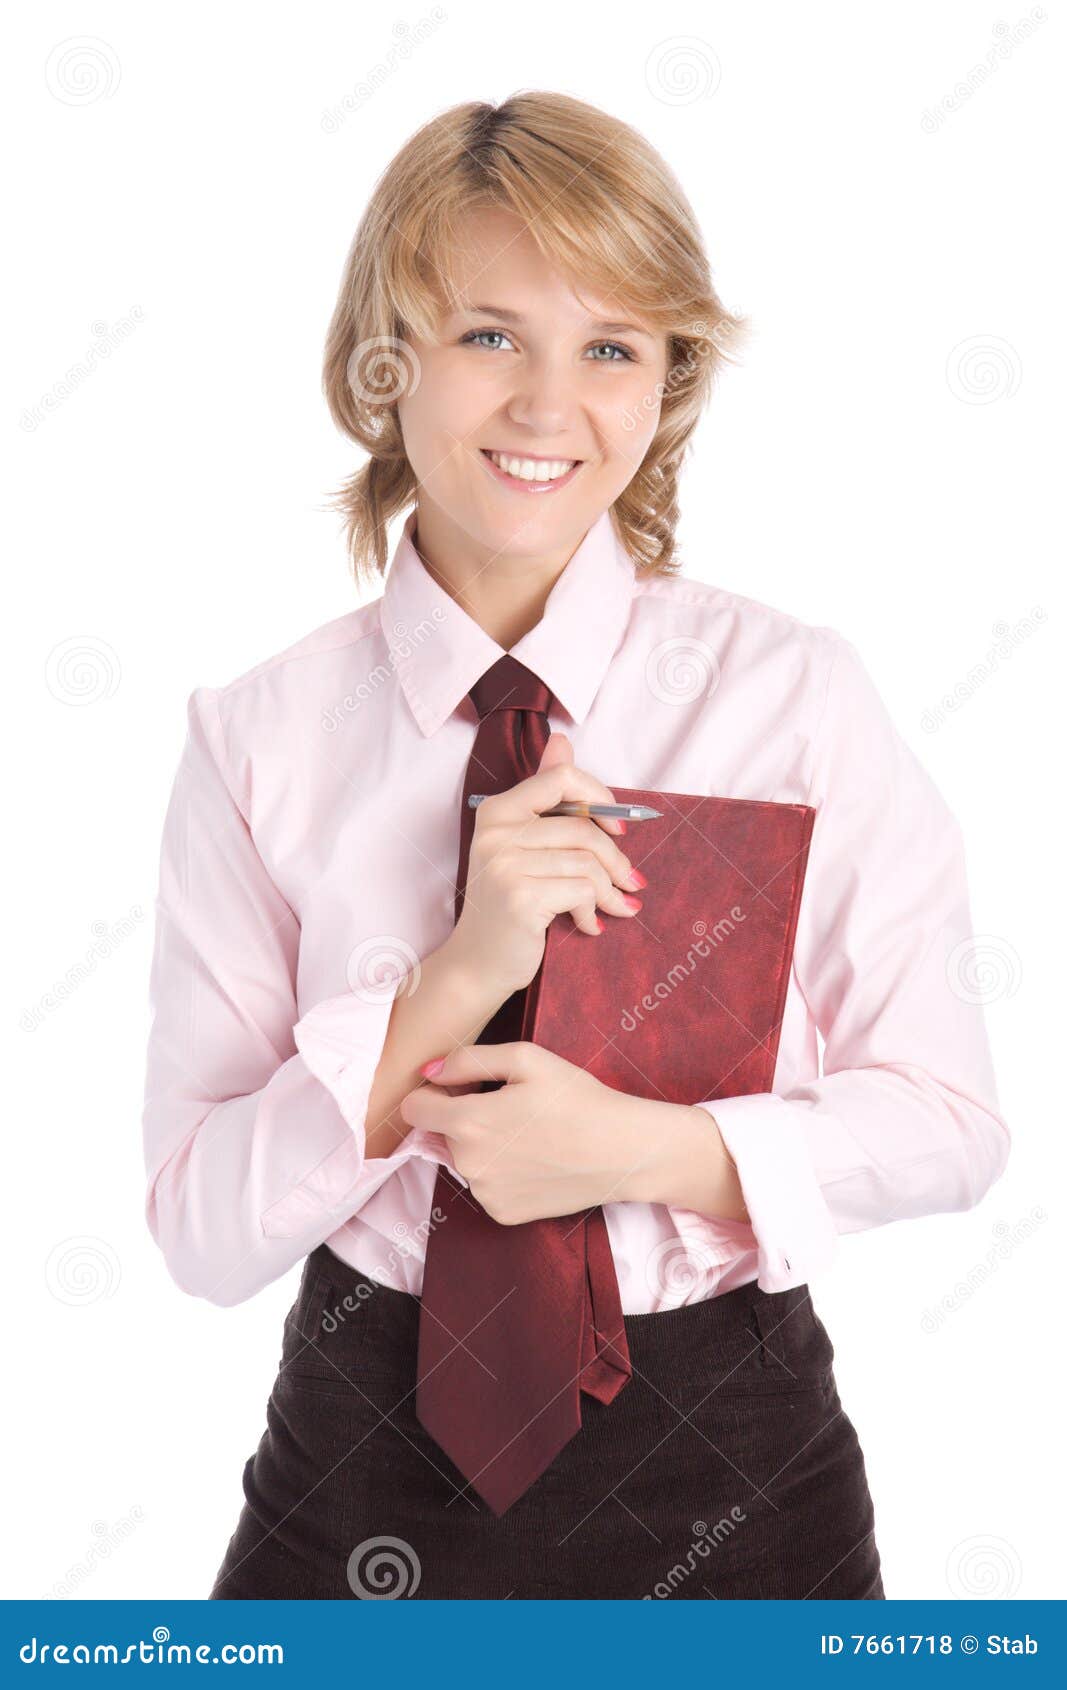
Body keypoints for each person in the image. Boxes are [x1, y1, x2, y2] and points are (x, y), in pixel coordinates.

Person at [142, 91, 1010, 1600]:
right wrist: (456, 973)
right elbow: (204, 1227)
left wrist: (646, 1152)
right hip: (360, 1467)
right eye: (490, 336)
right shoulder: (258, 740)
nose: (549, 407)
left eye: (611, 347)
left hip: (741, 1468)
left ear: (668, 382)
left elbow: (951, 1118)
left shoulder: (791, 700)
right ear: (383, 359)